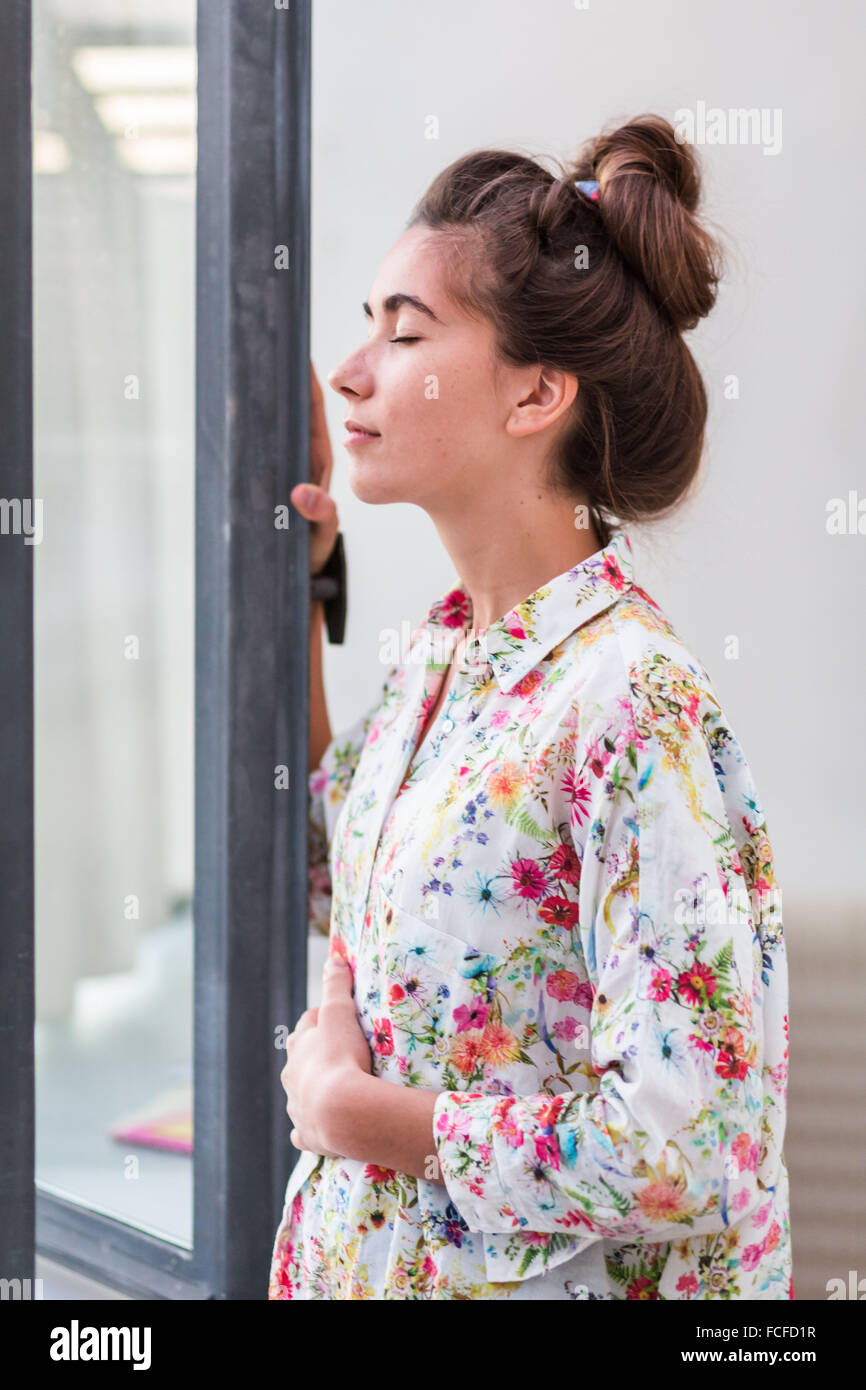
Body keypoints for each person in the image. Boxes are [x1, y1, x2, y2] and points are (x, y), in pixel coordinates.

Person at [268, 113, 792, 1301]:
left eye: (404, 333)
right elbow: (325, 875)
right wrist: (304, 590)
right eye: (364, 327)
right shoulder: (443, 660)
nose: (351, 369)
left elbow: (681, 1141)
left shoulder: (630, 703)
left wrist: (363, 1116)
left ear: (535, 394)